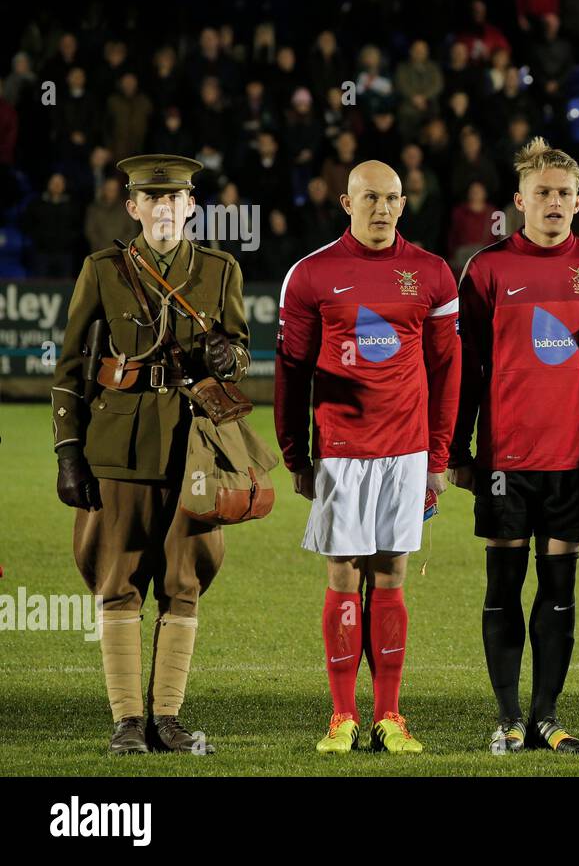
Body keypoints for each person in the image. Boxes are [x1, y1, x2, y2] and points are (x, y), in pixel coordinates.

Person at [51, 154, 251, 755]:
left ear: (192, 207)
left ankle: (167, 718)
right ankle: (127, 721)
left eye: (175, 201)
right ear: (132, 207)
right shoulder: (103, 269)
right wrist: (68, 451)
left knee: (183, 582)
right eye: (152, 201)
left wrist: (230, 359)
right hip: (118, 445)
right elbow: (68, 369)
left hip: (194, 446)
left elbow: (240, 349)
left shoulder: (220, 270)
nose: (164, 210)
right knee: (118, 582)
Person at [450, 138, 579, 755]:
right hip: (505, 461)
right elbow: (467, 368)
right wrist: (458, 450)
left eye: (563, 193)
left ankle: (545, 719)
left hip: (575, 461)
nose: (554, 202)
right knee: (503, 587)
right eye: (543, 193)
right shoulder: (488, 268)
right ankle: (506, 718)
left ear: (578, 201)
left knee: (560, 592)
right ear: (519, 200)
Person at [275, 160, 461, 755]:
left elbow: (445, 369)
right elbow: (293, 370)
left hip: (406, 452)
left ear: (404, 204)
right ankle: (342, 717)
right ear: (345, 202)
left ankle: (389, 716)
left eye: (391, 199)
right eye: (370, 199)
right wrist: (295, 452)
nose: (381, 209)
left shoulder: (431, 274)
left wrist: (439, 454)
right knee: (341, 575)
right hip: (339, 452)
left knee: (391, 575)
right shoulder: (310, 275)